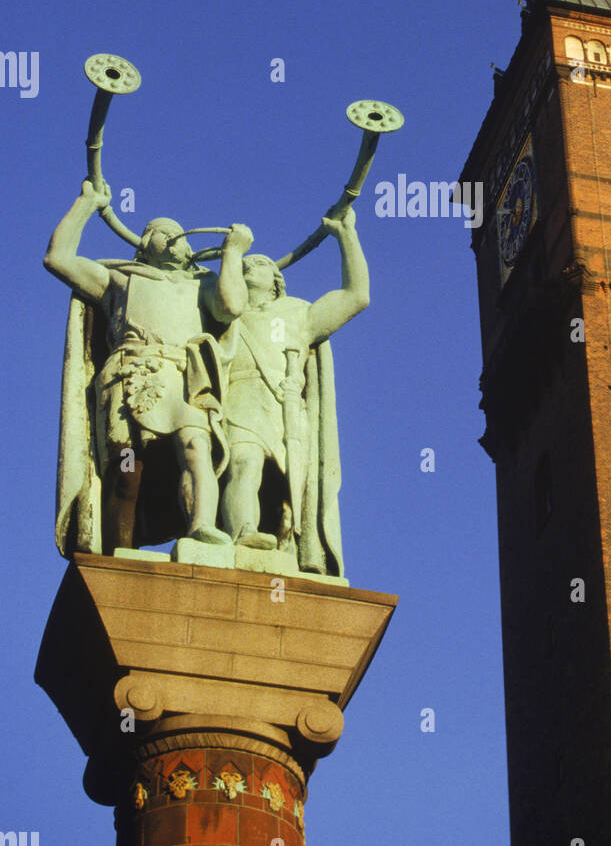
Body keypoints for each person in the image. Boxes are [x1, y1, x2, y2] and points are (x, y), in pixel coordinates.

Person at [44, 179, 252, 552]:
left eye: (180, 234)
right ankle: (120, 550)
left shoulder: (200, 285)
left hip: (184, 380)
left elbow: (233, 307)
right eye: (164, 232)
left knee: (195, 447)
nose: (175, 238)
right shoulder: (119, 278)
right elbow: (57, 258)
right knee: (128, 469)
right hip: (130, 378)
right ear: (144, 243)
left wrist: (233, 254)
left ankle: (201, 527)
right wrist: (87, 203)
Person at [219, 206, 368, 574]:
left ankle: (289, 545)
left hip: (286, 410)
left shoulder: (299, 313)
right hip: (240, 399)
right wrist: (230, 252)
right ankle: (242, 535)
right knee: (243, 464)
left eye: (261, 263)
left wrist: (346, 235)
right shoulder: (223, 308)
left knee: (290, 496)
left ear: (276, 279)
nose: (250, 264)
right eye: (245, 263)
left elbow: (356, 295)